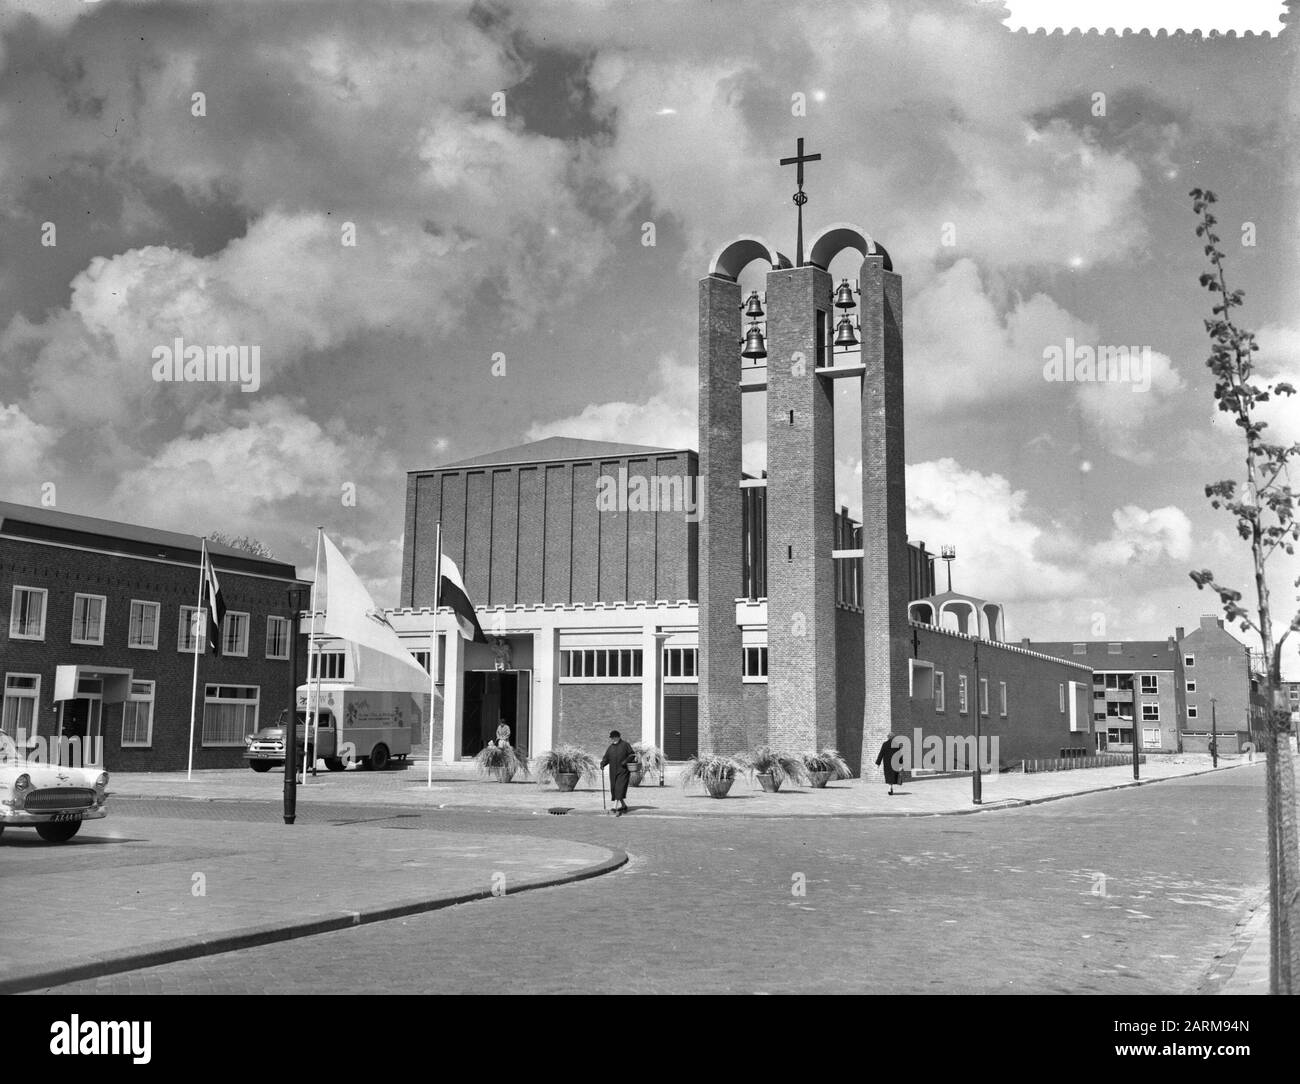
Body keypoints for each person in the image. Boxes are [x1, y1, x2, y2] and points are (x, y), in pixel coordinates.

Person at [601, 729, 636, 816]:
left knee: (619, 788)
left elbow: (632, 754)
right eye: (611, 738)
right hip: (613, 771)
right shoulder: (611, 747)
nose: (612, 739)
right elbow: (606, 758)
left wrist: (626, 761)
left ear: (618, 737)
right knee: (614, 787)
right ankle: (623, 806)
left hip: (623, 770)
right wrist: (602, 764)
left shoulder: (625, 745)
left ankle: (614, 807)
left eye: (613, 738)